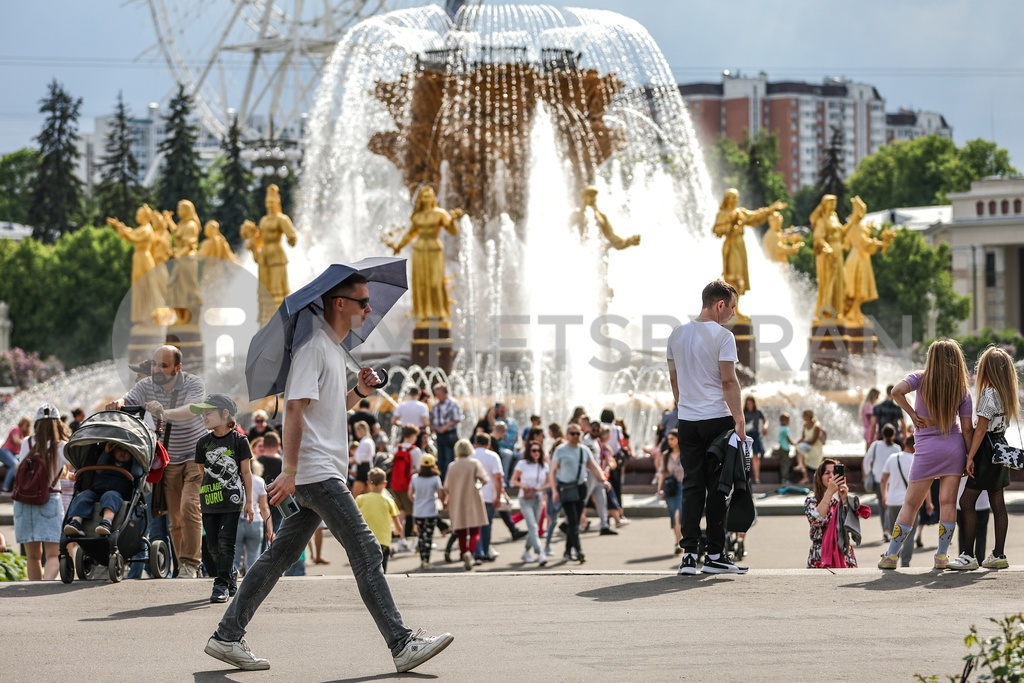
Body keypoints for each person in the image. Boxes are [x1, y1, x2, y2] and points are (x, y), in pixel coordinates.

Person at [205, 272, 452, 673]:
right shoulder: (314, 348)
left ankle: (227, 636)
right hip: (317, 472)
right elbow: (295, 409)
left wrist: (360, 392)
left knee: (278, 556)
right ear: (339, 304)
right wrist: (289, 469)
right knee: (367, 550)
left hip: (319, 470)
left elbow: (329, 407)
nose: (369, 309)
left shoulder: (332, 350)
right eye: (362, 302)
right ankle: (402, 643)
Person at [666, 280, 747, 575]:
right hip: (717, 420)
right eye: (732, 307)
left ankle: (688, 554)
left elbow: (675, 381)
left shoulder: (676, 334)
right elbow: (728, 381)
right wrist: (738, 418)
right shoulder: (723, 337)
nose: (734, 314)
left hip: (687, 421)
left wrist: (684, 405)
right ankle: (714, 554)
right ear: (720, 304)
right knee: (717, 488)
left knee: (691, 486)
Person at [106, 344, 207, 578]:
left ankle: (191, 564)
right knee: (175, 519)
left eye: (163, 365)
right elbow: (128, 398)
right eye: (153, 364)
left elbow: (192, 409)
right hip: (169, 458)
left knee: (189, 506)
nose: (156, 369)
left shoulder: (193, 383)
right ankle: (185, 565)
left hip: (194, 456)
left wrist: (166, 412)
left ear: (177, 368)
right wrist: (117, 404)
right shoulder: (147, 384)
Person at [879, 339, 974, 570]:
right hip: (953, 446)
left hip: (927, 449)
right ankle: (942, 556)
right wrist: (970, 456)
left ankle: (891, 555)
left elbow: (895, 391)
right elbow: (967, 427)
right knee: (948, 502)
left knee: (911, 504)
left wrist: (912, 414)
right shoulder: (961, 388)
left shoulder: (919, 378)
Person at [948, 346, 1019, 571]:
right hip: (1001, 447)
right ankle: (998, 554)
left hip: (987, 450)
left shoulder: (989, 392)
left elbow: (980, 430)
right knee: (998, 503)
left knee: (966, 502)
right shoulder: (1007, 392)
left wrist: (970, 457)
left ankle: (968, 555)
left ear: (987, 369)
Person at [191, 393, 254, 603]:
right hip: (209, 500)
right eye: (202, 413)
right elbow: (202, 472)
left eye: (208, 412)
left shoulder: (239, 441)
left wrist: (249, 502)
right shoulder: (202, 443)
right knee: (212, 546)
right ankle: (230, 574)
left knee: (226, 543)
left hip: (231, 501)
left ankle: (220, 584)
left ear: (225, 414)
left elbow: (246, 473)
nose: (204, 416)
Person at [12, 404, 68, 580]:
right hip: (49, 499)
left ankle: (34, 586)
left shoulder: (27, 442)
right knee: (53, 555)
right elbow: (69, 468)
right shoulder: (62, 446)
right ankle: (46, 583)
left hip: (25, 500)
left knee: (32, 556)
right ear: (57, 424)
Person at [547, 424, 610, 564]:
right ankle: (579, 551)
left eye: (578, 434)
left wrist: (603, 480)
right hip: (566, 488)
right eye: (572, 433)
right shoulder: (560, 450)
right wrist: (555, 490)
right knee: (573, 521)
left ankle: (568, 551)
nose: (575, 436)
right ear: (568, 435)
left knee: (573, 521)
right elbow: (553, 471)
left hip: (581, 488)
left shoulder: (584, 450)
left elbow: (594, 466)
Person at [63, 442, 144, 538]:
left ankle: (106, 522)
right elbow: (99, 469)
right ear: (113, 451)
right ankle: (76, 522)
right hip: (98, 489)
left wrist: (136, 454)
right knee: (83, 496)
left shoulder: (131, 466)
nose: (123, 452)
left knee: (110, 496)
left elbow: (137, 472)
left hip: (118, 492)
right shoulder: (107, 460)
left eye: (127, 451)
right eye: (119, 449)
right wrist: (106, 452)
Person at [805, 459, 865, 568]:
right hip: (820, 553)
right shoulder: (812, 500)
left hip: (844, 552)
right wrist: (829, 492)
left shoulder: (845, 498)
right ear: (820, 477)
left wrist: (845, 500)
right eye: (827, 473)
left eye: (835, 473)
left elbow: (853, 528)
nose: (831, 476)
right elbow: (816, 521)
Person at [444, 439, 489, 571]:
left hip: (457, 500)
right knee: (475, 530)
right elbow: (485, 479)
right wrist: (478, 485)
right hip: (473, 498)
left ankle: (464, 554)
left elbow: (446, 486)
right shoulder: (474, 463)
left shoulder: (452, 465)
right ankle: (470, 552)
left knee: (461, 531)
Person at [879, 435, 920, 568]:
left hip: (892, 502)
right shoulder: (917, 459)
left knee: (894, 534)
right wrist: (928, 502)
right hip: (911, 502)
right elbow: (923, 485)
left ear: (904, 443)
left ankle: (892, 556)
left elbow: (883, 479)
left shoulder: (893, 458)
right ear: (915, 445)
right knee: (910, 535)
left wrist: (884, 495)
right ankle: (905, 563)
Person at [510, 440, 550, 566]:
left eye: (538, 450)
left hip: (538, 498)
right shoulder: (522, 464)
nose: (536, 453)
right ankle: (540, 553)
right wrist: (523, 486)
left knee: (535, 527)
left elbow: (549, 482)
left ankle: (527, 551)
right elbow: (513, 480)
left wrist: (540, 489)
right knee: (532, 526)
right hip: (525, 498)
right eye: (533, 450)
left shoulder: (544, 465)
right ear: (529, 451)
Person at [357, 468, 403, 573]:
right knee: (381, 571)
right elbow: (398, 527)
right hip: (383, 541)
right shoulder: (389, 501)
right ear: (385, 483)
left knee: (366, 569)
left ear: (368, 483)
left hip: (365, 540)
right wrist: (397, 532)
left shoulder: (360, 499)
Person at [234, 457, 273, 576]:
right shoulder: (259, 481)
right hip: (255, 521)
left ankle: (232, 582)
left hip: (237, 521)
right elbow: (264, 507)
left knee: (234, 559)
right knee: (253, 557)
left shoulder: (234, 480)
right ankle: (250, 584)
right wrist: (270, 529)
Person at [470, 432, 504, 562]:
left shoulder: (469, 455)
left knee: (475, 524)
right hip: (489, 494)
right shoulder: (493, 456)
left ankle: (478, 551)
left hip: (472, 495)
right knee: (487, 524)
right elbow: (498, 478)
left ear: (475, 442)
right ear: (489, 444)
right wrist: (498, 495)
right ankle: (484, 550)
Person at [864, 424, 901, 539]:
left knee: (882, 505)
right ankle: (888, 528)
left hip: (878, 479)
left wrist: (868, 472)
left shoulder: (875, 446)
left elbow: (866, 460)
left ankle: (885, 529)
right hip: (892, 480)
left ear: (882, 434)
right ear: (894, 435)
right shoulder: (897, 448)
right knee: (889, 504)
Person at [409, 454, 445, 569]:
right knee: (428, 536)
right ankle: (427, 560)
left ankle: (422, 559)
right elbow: (440, 494)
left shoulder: (415, 478)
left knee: (420, 536)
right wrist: (443, 504)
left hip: (418, 511)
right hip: (430, 511)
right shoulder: (435, 478)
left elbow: (410, 494)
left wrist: (416, 500)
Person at [655, 429, 684, 555]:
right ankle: (678, 540)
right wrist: (659, 489)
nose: (670, 442)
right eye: (669, 440)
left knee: (679, 516)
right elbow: (662, 473)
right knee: (673, 517)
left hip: (683, 486)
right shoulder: (666, 455)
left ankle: (679, 543)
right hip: (671, 488)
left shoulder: (685, 453)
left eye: (672, 439)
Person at [430, 383, 462, 478]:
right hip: (439, 434)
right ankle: (442, 478)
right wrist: (432, 426)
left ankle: (449, 478)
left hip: (449, 434)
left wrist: (445, 427)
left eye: (439, 394)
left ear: (445, 393)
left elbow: (456, 418)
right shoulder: (436, 405)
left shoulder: (452, 403)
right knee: (440, 458)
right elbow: (432, 417)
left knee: (449, 457)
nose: (437, 396)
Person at [795, 410, 825, 486]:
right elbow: (803, 437)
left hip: (815, 447)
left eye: (804, 416)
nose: (803, 417)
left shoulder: (817, 426)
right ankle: (804, 476)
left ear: (809, 416)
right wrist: (797, 442)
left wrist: (804, 442)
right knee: (799, 451)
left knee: (817, 465)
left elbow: (813, 441)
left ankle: (820, 481)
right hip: (808, 446)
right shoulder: (805, 424)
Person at [1, 416, 30, 493]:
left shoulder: (23, 434)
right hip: (5, 451)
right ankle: (5, 487)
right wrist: (29, 445)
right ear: (22, 423)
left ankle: (18, 486)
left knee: (25, 463)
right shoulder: (16, 429)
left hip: (13, 454)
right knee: (15, 465)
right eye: (26, 425)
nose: (27, 427)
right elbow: (16, 441)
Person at [743, 396, 768, 484]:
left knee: (756, 456)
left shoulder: (758, 412)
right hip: (746, 435)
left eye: (751, 403)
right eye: (748, 404)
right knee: (746, 456)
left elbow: (765, 420)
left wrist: (765, 427)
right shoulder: (743, 412)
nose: (749, 405)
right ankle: (747, 477)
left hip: (755, 436)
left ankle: (757, 478)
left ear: (754, 404)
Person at [352, 421, 375, 497]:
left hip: (363, 469)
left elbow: (358, 459)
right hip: (367, 468)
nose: (356, 433)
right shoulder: (368, 441)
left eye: (357, 430)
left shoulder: (365, 442)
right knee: (367, 495)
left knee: (354, 496)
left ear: (360, 430)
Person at [777, 412, 794, 482]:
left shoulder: (780, 428)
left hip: (781, 447)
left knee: (783, 463)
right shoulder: (786, 429)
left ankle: (783, 478)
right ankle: (784, 478)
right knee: (786, 464)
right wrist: (793, 443)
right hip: (785, 448)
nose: (788, 422)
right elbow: (788, 438)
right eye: (787, 420)